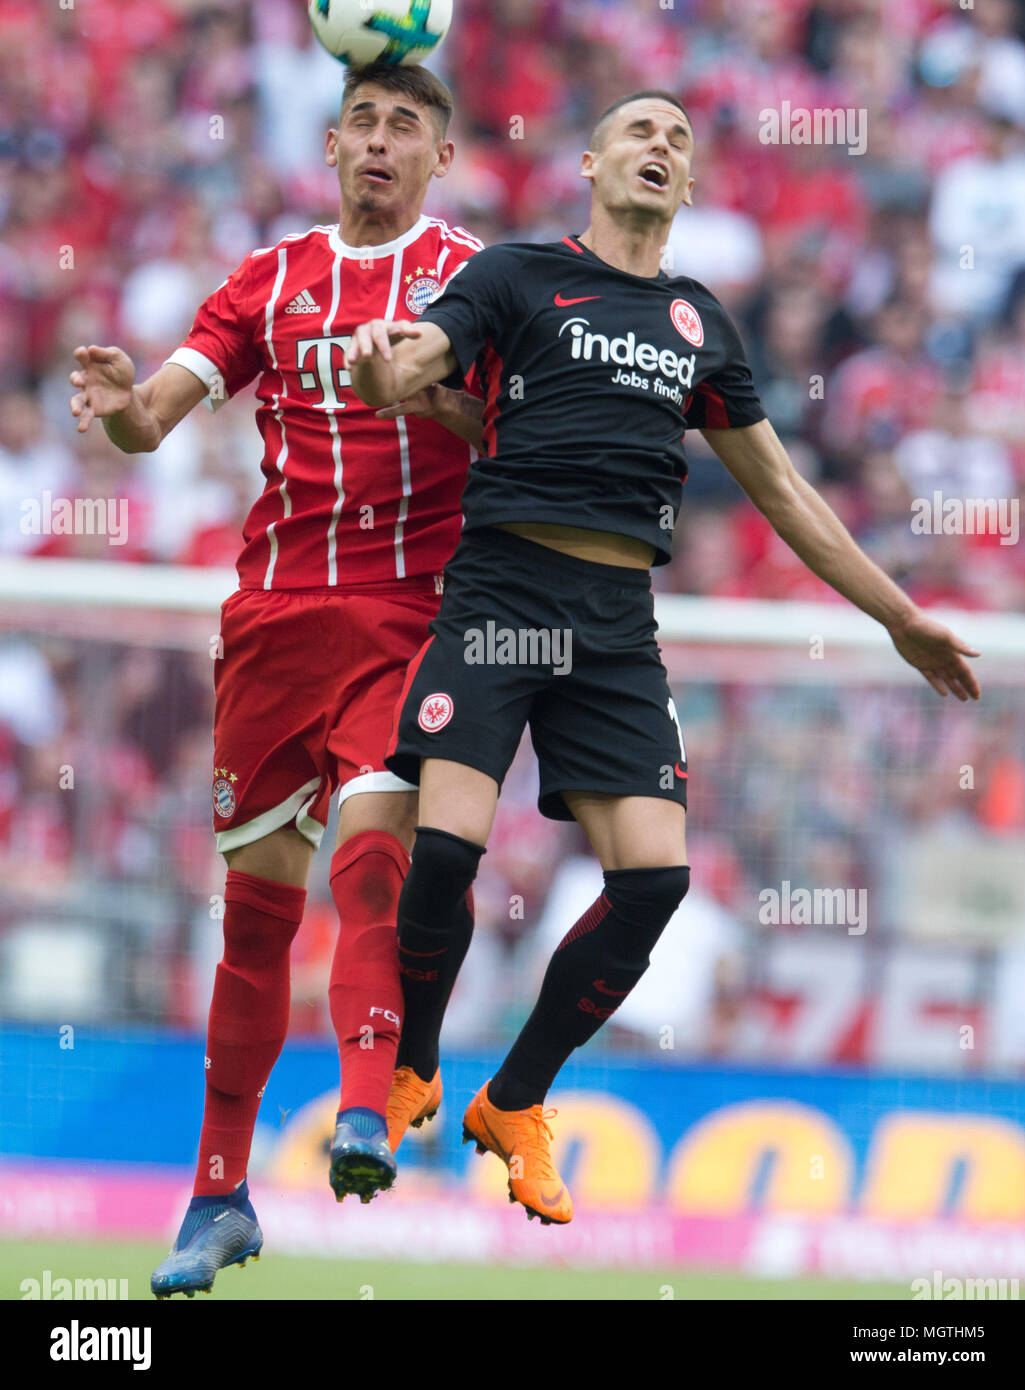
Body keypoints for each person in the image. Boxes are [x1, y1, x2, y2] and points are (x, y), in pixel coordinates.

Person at [347, 90, 981, 1225]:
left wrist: (897, 615)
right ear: (591, 162)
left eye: (681, 141)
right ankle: (416, 1066)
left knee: (654, 880)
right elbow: (419, 361)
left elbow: (783, 491)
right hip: (502, 590)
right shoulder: (518, 276)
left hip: (615, 618)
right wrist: (382, 362)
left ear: (688, 189)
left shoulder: (701, 325)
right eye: (641, 131)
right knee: (444, 847)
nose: (662, 146)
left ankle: (517, 1099)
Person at [70, 63, 486, 1296]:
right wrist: (122, 414)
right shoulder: (269, 277)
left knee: (371, 855)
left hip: (413, 615)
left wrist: (422, 384)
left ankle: (363, 1111)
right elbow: (162, 410)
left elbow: (509, 431)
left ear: (440, 157)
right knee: (255, 917)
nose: (379, 141)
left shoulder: (476, 280)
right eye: (361, 121)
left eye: (405, 125)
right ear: (329, 142)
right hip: (272, 622)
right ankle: (216, 1197)